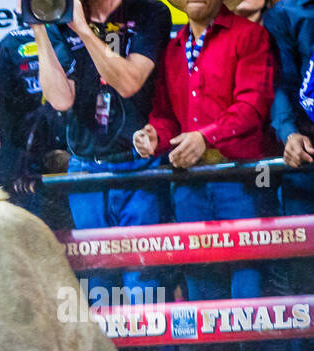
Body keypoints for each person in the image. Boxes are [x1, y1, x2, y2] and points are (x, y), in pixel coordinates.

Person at [133, 0, 276, 307]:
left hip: (241, 180)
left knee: (249, 292)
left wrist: (204, 138)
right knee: (201, 292)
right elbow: (166, 116)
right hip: (190, 185)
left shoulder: (250, 35)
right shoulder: (172, 49)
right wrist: (153, 136)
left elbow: (252, 106)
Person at [34, 0, 172, 313]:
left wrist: (83, 31)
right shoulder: (60, 15)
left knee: (144, 281)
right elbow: (59, 99)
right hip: (86, 169)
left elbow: (128, 82)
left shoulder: (151, 12)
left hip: (138, 166)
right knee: (97, 284)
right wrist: (39, 27)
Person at [0, 24, 69, 222]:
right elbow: (5, 114)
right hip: (32, 163)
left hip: (81, 151)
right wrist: (18, 168)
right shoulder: (13, 42)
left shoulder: (79, 30)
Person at [268, 0, 314, 311]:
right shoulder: (286, 14)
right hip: (307, 160)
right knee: (304, 285)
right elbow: (279, 84)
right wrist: (288, 134)